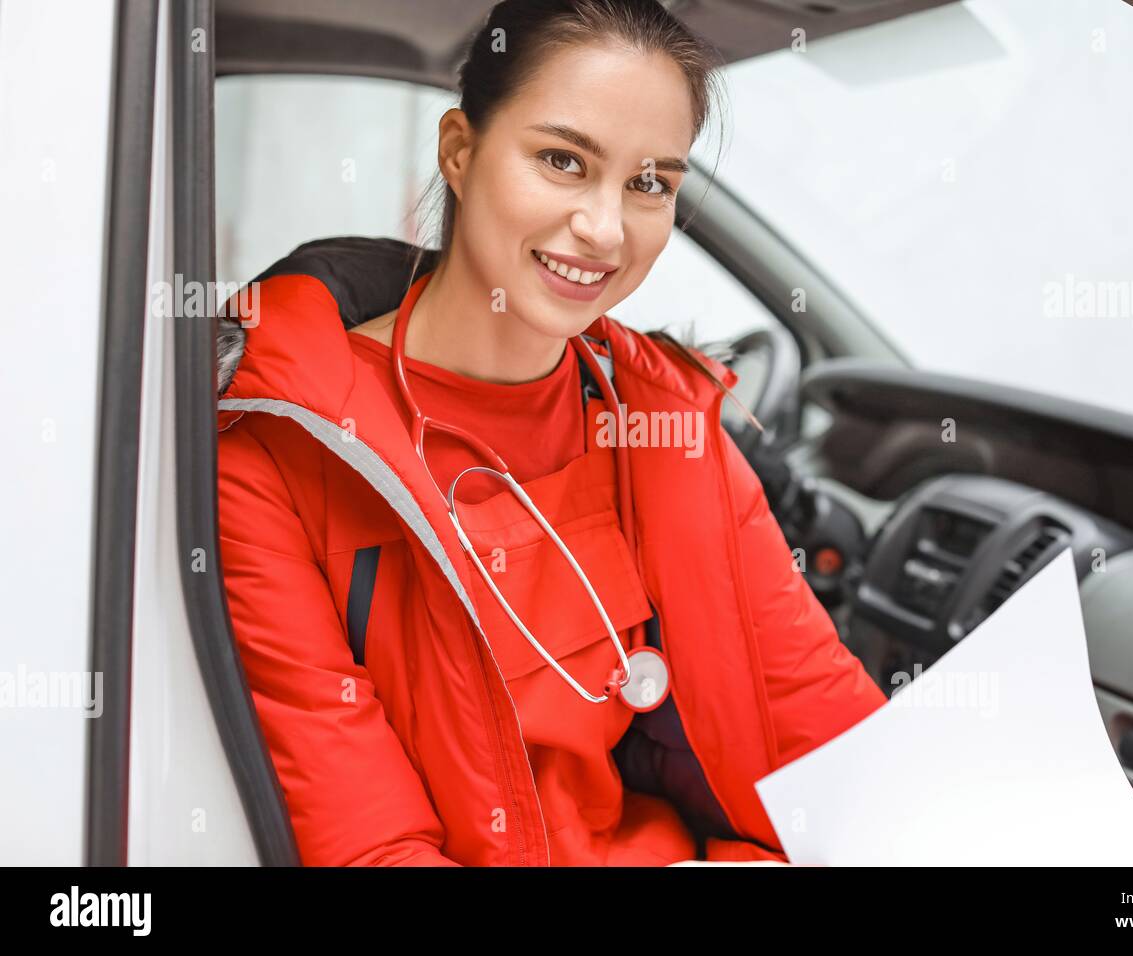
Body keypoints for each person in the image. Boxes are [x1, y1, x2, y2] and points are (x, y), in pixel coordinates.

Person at [215, 0, 888, 867]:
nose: (606, 230)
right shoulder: (277, 449)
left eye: (649, 183)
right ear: (459, 152)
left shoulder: (665, 427)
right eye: (564, 161)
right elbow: (372, 851)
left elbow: (831, 739)